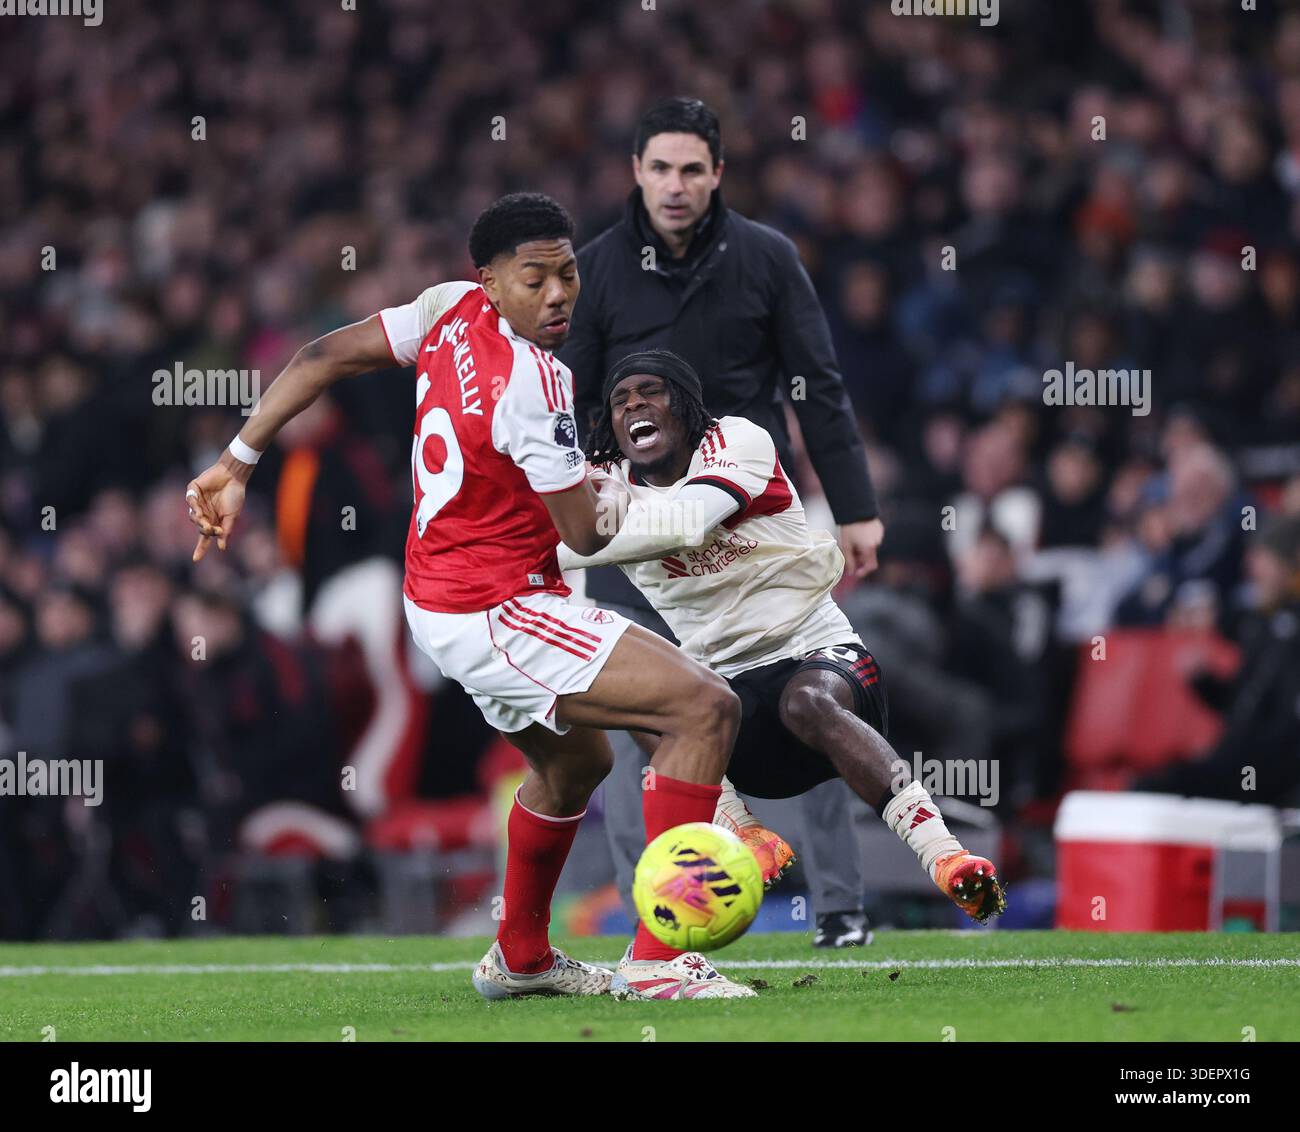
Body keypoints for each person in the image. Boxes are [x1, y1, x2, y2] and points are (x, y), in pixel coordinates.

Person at [184, 193, 759, 1001]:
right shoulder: (535, 384)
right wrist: (621, 491)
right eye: (535, 279)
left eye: (567, 274)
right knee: (706, 708)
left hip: (444, 595)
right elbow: (588, 536)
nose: (558, 294)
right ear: (490, 280)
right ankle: (661, 959)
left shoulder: (447, 309)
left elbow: (319, 358)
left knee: (575, 763)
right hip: (496, 607)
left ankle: (519, 959)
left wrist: (237, 462)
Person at [560, 97, 884, 947]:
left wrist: (854, 509)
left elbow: (817, 383)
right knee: (640, 728)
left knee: (798, 703)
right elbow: (569, 405)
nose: (675, 185)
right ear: (636, 171)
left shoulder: (769, 258)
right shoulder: (593, 271)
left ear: (717, 175)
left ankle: (841, 910)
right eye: (660, 168)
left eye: (692, 170)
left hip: (749, 535)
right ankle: (660, 918)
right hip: (633, 546)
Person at [560, 350, 1007, 930]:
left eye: (652, 391)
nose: (634, 405)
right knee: (633, 693)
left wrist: (588, 530)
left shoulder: (737, 442)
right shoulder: (611, 483)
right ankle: (742, 830)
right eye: (620, 400)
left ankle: (947, 858)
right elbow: (548, 549)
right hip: (728, 712)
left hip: (821, 662)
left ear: (689, 407)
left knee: (804, 701)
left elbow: (683, 524)